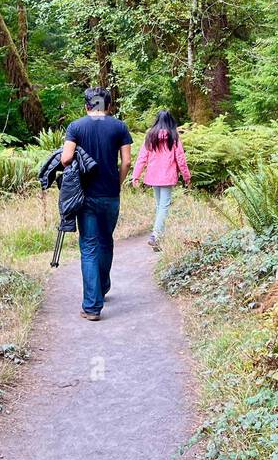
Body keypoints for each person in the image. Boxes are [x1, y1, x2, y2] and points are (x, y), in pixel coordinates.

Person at [60, 87, 132, 321]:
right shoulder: (119, 127)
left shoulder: (76, 127)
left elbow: (65, 158)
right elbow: (127, 162)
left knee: (89, 246)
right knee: (105, 240)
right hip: (111, 195)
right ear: (108, 106)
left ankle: (92, 306)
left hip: (86, 196)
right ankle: (102, 286)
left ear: (87, 106)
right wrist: (117, 182)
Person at [131, 110, 190, 251]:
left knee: (159, 205)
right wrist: (187, 176)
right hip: (168, 176)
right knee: (163, 206)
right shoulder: (174, 137)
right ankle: (155, 235)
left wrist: (136, 175)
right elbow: (180, 159)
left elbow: (142, 157)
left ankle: (159, 236)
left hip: (153, 176)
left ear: (157, 120)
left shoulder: (150, 136)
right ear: (170, 121)